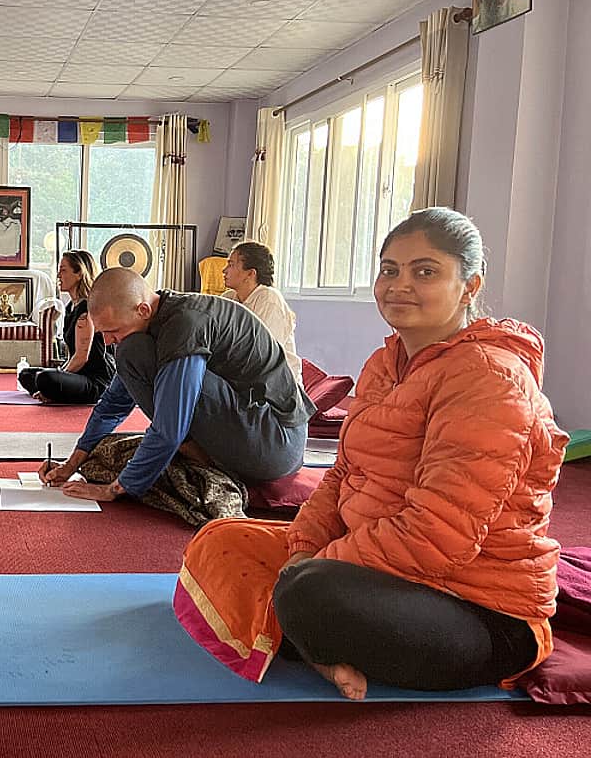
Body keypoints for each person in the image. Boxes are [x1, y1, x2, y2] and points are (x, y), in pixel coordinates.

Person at [177, 208, 568, 700]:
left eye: (425, 271)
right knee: (220, 539)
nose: (400, 285)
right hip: (370, 560)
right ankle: (322, 650)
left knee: (306, 593)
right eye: (390, 269)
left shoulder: (490, 379)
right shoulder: (386, 363)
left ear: (469, 286)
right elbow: (342, 475)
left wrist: (311, 568)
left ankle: (305, 630)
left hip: (475, 606)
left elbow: (438, 534)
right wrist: (304, 549)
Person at [39, 267, 314, 501]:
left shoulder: (186, 323)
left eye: (113, 332)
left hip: (275, 443)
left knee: (132, 351)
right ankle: (198, 453)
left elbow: (172, 425)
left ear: (143, 309)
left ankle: (200, 457)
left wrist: (115, 489)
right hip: (252, 433)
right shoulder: (156, 323)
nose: (108, 341)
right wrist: (72, 463)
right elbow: (112, 404)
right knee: (132, 353)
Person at [18, 250, 115, 405]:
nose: (58, 276)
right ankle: (53, 391)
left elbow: (81, 358)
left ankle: (52, 391)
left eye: (63, 270)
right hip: (78, 377)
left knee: (45, 378)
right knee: (26, 375)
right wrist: (59, 374)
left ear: (79, 274)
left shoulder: (86, 309)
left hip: (95, 382)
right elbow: (71, 356)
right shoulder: (71, 306)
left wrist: (58, 375)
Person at [221, 241, 303, 387]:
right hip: (241, 378)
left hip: (276, 388)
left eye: (231, 265)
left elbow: (262, 355)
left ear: (250, 273)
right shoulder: (229, 298)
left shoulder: (270, 300)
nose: (224, 270)